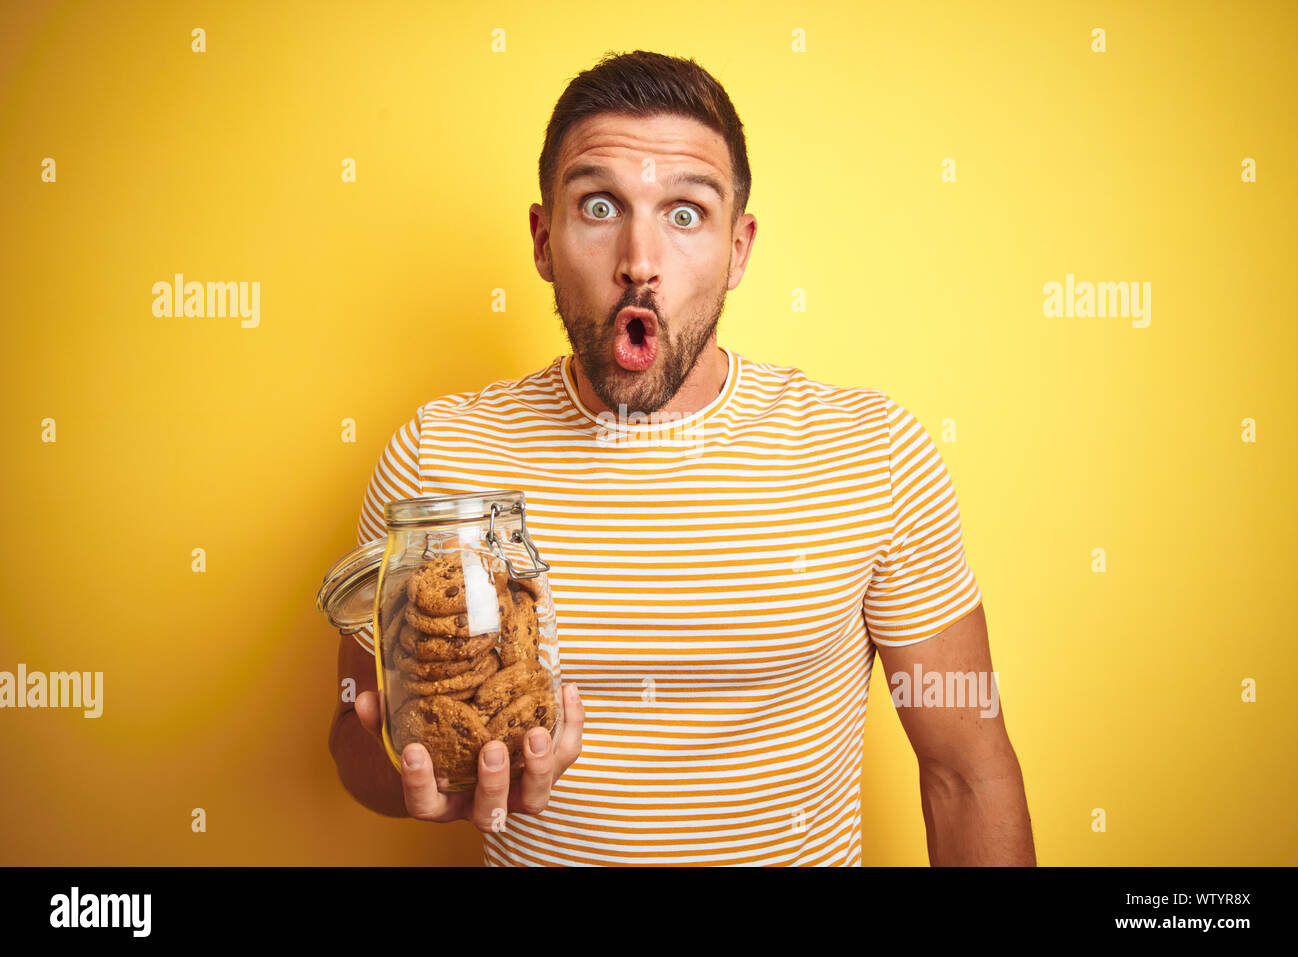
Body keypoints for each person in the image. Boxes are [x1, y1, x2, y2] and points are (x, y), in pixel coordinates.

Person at [329, 49, 1035, 866]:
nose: (640, 259)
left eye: (686, 214)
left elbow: (967, 773)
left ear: (738, 249)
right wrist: (441, 788)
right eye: (599, 206)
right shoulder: (437, 456)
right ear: (543, 239)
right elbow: (355, 736)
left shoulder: (872, 452)